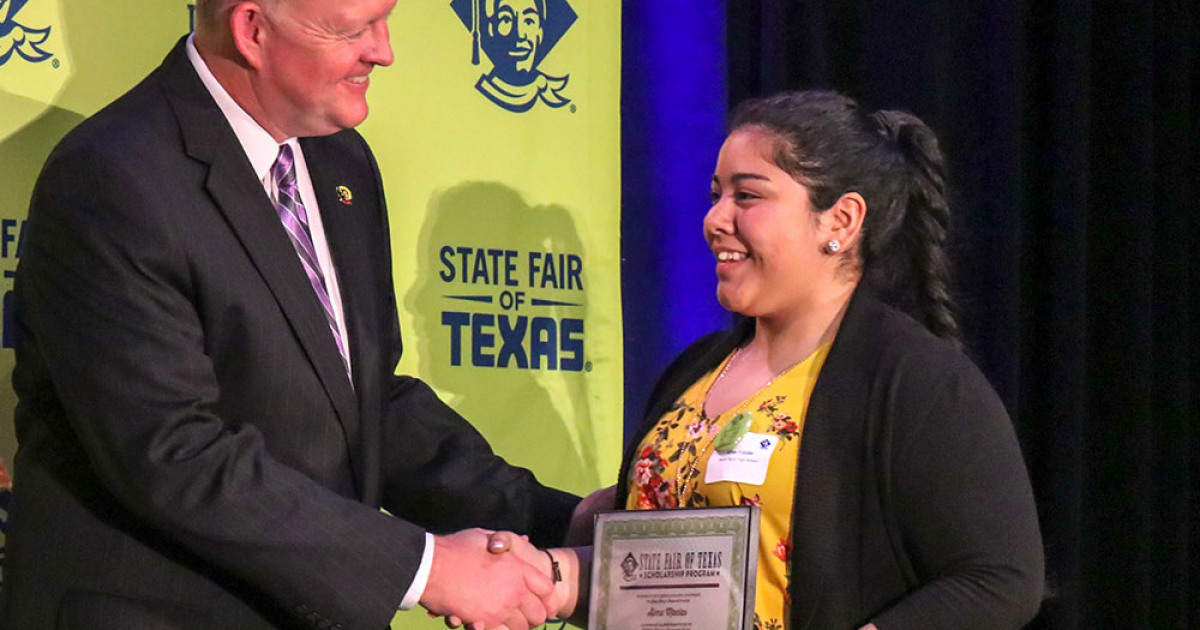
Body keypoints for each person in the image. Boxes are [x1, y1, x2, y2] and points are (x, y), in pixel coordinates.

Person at [3, 0, 586, 628]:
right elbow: (172, 452)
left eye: (385, 22)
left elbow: (367, 406)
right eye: (354, 29)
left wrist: (563, 522)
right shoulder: (114, 175)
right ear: (252, 29)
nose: (383, 51)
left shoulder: (341, 161)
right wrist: (430, 568)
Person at [498, 90, 1046, 629]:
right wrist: (553, 574)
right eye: (716, 195)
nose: (716, 220)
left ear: (840, 221)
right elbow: (657, 572)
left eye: (748, 197)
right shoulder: (695, 369)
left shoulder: (915, 382)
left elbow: (1000, 579)